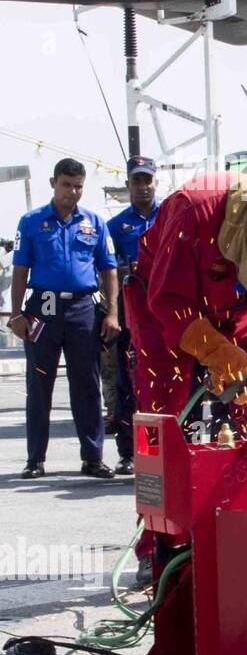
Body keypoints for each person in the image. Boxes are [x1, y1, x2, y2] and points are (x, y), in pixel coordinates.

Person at [128, 169, 247, 575]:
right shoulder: (194, 211)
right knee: (161, 423)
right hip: (164, 303)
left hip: (238, 308)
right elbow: (167, 303)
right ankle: (159, 546)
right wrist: (216, 353)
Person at [6, 158, 119, 479]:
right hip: (43, 309)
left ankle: (93, 458)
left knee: (86, 384)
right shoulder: (31, 222)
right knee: (39, 383)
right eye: (66, 184)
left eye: (78, 186)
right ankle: (35, 459)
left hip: (83, 310)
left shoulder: (95, 223)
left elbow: (108, 269)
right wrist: (16, 314)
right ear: (54, 183)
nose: (72, 191)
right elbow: (20, 270)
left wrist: (111, 313)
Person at [105, 154, 159, 475]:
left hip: (166, 312)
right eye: (136, 181)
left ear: (155, 182)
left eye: (147, 180)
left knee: (165, 381)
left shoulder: (171, 216)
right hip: (130, 312)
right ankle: (128, 452)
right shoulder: (115, 226)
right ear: (128, 185)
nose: (142, 187)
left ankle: (169, 447)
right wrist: (130, 269)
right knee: (128, 383)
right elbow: (107, 269)